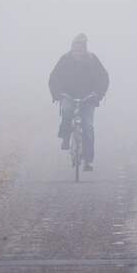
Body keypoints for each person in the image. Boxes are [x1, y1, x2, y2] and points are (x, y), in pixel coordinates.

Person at [48, 33, 110, 170]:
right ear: (71, 49)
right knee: (66, 111)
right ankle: (65, 135)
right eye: (75, 50)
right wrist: (57, 94)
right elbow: (54, 78)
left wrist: (98, 94)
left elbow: (103, 77)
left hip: (88, 98)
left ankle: (88, 160)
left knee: (88, 126)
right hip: (68, 96)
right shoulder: (64, 60)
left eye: (80, 50)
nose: (77, 53)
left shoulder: (92, 60)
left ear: (85, 49)